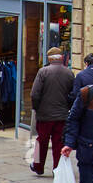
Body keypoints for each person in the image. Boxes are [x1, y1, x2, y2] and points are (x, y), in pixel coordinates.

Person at [29, 47, 74, 176]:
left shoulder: (43, 72)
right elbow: (73, 94)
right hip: (62, 115)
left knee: (41, 141)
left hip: (45, 115)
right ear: (61, 58)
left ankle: (38, 166)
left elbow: (34, 94)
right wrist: (67, 108)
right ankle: (57, 169)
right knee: (58, 143)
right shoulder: (69, 73)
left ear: (49, 59)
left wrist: (36, 108)